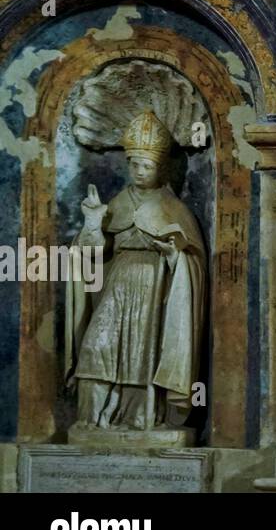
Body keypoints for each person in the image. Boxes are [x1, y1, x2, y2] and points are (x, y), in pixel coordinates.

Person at [66, 109, 206, 432]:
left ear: (162, 168)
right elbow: (91, 256)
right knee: (95, 346)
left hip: (153, 288)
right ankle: (90, 419)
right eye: (134, 164)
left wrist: (175, 256)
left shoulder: (174, 208)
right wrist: (92, 225)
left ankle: (141, 418)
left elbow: (193, 264)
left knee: (144, 356)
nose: (139, 171)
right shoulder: (115, 203)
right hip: (115, 284)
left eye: (147, 165)